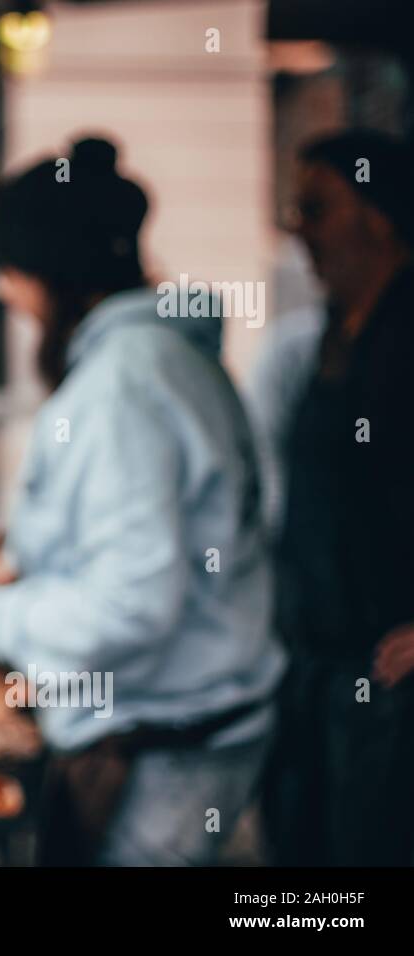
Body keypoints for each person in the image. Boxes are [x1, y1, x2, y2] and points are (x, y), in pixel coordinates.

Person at [0, 137, 284, 865]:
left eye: (14, 277)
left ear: (55, 276)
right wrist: (21, 567)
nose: (12, 298)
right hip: (195, 720)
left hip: (170, 744)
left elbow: (129, 605)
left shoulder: (125, 387)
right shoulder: (159, 360)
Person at [254, 130, 414, 866]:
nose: (300, 230)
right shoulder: (329, 334)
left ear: (379, 218)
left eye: (316, 208)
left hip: (387, 678)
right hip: (315, 660)